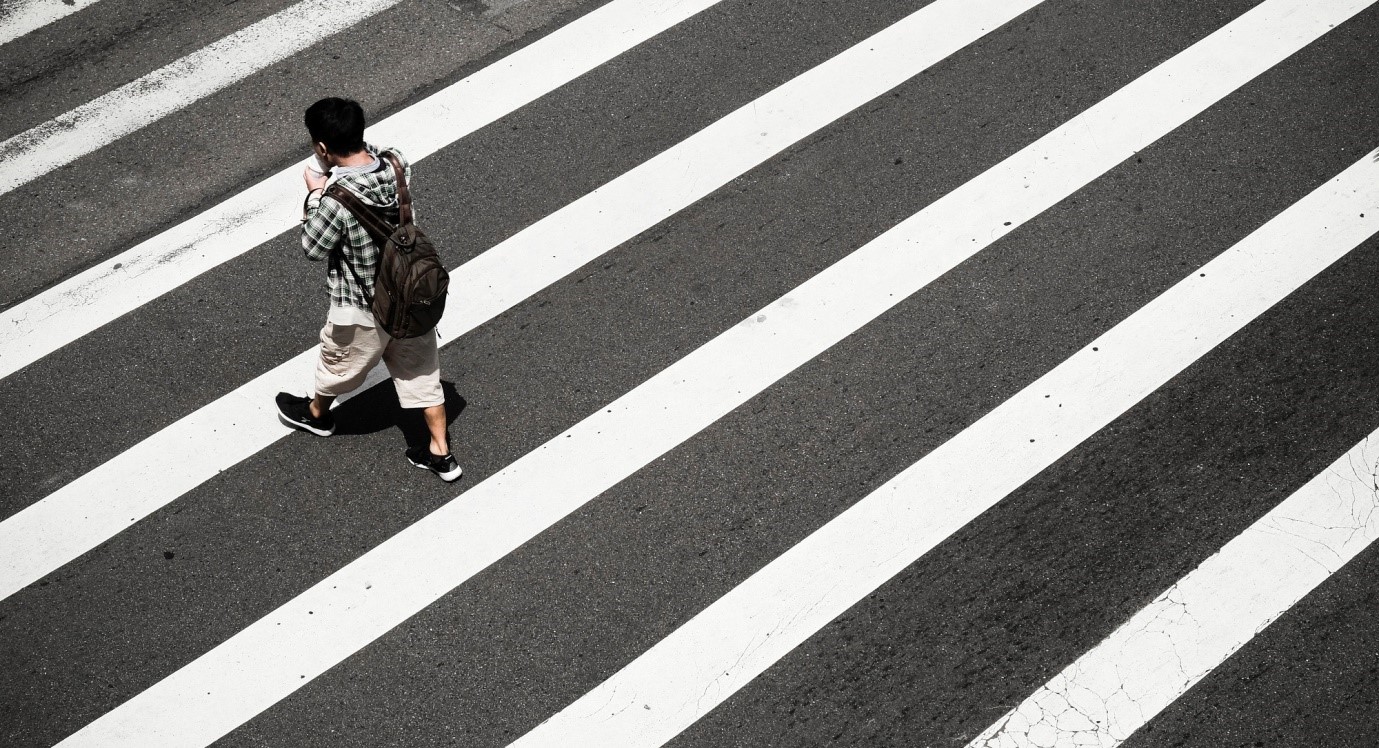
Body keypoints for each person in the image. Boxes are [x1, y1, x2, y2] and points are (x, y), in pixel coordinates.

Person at [275, 97, 461, 482]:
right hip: (410, 295)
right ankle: (441, 454)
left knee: (339, 364)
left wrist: (314, 193)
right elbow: (374, 156)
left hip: (362, 304)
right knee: (422, 373)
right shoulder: (396, 164)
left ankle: (317, 415)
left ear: (323, 148)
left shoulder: (334, 201)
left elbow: (312, 247)